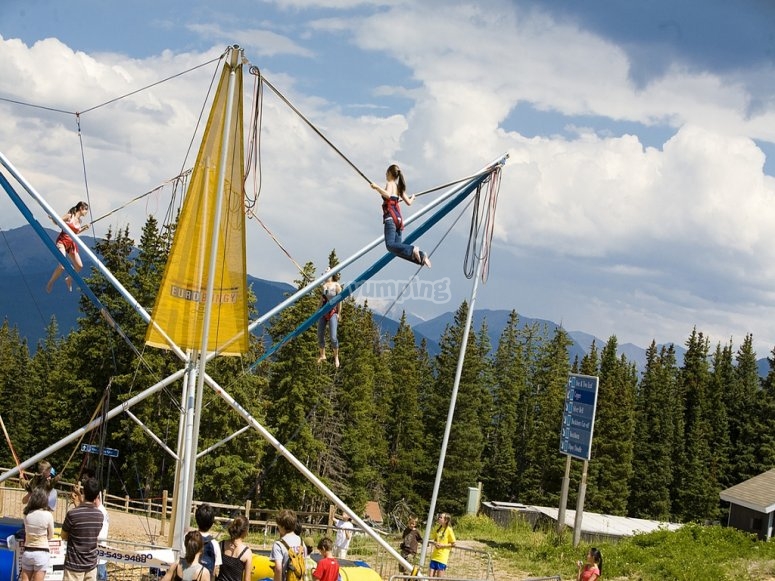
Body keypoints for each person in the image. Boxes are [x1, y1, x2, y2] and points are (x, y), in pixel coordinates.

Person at [370, 164, 432, 268]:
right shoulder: (399, 188)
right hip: (398, 220)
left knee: (390, 245)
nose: (385, 174)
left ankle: (413, 249)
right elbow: (409, 202)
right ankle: (421, 256)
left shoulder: (390, 183)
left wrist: (376, 188)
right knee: (398, 250)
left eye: (386, 172)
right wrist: (412, 197)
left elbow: (388, 195)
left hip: (391, 218)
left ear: (390, 173)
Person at [61, 477, 105, 581]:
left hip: (74, 566)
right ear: (97, 495)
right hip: (91, 565)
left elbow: (63, 535)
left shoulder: (73, 514)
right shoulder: (99, 515)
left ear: (84, 491)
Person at [46, 201, 90, 293]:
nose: (86, 212)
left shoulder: (79, 221)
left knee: (79, 266)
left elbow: (75, 232)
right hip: (62, 241)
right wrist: (52, 218)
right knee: (62, 266)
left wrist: (84, 228)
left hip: (71, 244)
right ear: (81, 208)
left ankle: (69, 279)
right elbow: (57, 221)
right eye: (86, 210)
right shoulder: (70, 216)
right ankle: (51, 281)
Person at [21, 488, 55, 581]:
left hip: (27, 551)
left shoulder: (26, 514)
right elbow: (51, 535)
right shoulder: (48, 515)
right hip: (42, 551)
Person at [317, 270, 343, 368]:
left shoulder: (336, 285)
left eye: (327, 271)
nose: (325, 272)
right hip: (323, 311)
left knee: (333, 337)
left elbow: (340, 300)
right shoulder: (324, 286)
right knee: (320, 334)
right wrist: (317, 310)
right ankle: (322, 355)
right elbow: (321, 299)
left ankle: (336, 357)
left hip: (332, 312)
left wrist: (339, 313)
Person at [270, 509, 303, 581]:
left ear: (283, 527)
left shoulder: (278, 544)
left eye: (278, 526)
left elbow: (278, 568)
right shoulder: (301, 542)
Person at [217, 515, 252, 581]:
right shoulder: (247, 552)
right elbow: (247, 580)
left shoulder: (221, 544)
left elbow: (214, 569)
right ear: (245, 531)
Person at [195, 503, 222, 579]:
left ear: (196, 518)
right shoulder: (215, 544)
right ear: (212, 522)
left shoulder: (188, 538)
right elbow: (215, 571)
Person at [428, 513, 456, 578]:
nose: (439, 518)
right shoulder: (438, 528)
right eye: (439, 517)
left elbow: (453, 543)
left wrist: (443, 545)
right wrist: (435, 543)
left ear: (446, 520)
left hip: (442, 558)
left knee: (439, 578)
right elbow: (434, 539)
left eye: (441, 517)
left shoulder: (449, 529)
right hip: (434, 556)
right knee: (430, 577)